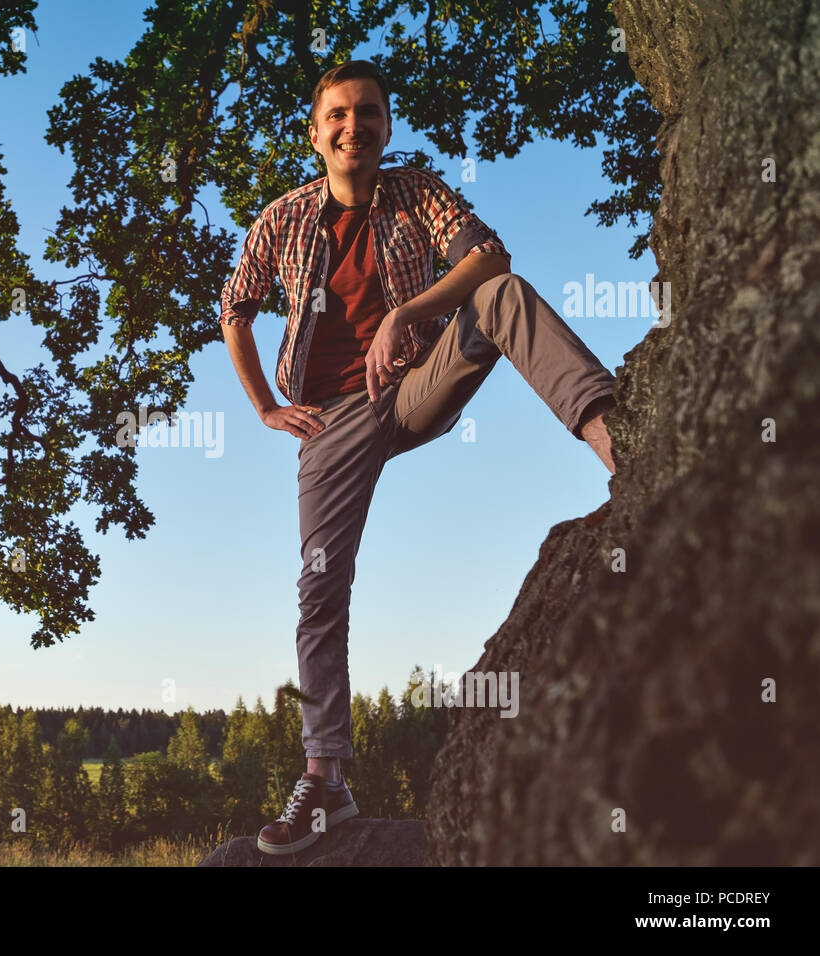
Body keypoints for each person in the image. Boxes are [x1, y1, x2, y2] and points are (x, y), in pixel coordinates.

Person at [218, 60, 619, 855]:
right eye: (336, 115)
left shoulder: (419, 190)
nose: (352, 127)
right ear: (316, 133)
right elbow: (235, 305)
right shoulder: (284, 218)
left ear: (386, 126)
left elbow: (489, 256)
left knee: (500, 297)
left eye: (367, 113)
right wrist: (264, 405)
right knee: (320, 584)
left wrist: (409, 311)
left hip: (410, 387)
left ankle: (617, 443)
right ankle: (325, 780)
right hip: (328, 418)